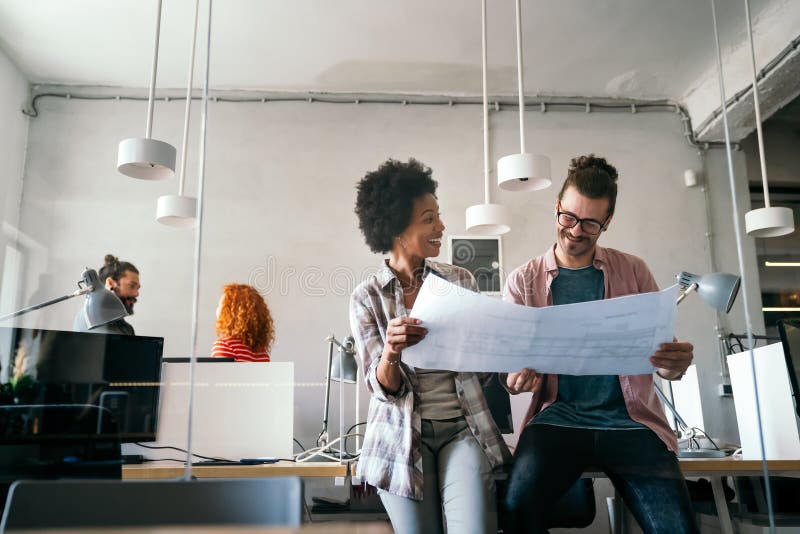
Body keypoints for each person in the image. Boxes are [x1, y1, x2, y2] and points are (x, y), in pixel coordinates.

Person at [502, 154, 698, 533]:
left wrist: (673, 365)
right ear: (557, 208)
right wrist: (514, 380)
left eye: (590, 222)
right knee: (516, 510)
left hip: (632, 423)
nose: (576, 230)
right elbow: (509, 370)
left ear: (607, 222)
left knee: (679, 528)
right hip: (557, 421)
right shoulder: (523, 280)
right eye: (569, 218)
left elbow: (662, 358)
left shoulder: (633, 270)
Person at [349, 158, 510, 534]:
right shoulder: (366, 297)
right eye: (429, 219)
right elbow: (380, 387)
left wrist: (495, 344)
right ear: (397, 229)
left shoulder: (461, 280)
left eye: (438, 216)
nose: (441, 227)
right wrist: (391, 352)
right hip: (399, 439)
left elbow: (484, 371)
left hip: (462, 429)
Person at [73, 254, 139, 335]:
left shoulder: (127, 327)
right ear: (111, 283)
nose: (137, 294)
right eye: (131, 286)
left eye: (138, 288)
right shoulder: (91, 317)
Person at [211, 283, 274, 362]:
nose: (217, 310)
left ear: (229, 313)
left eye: (220, 305)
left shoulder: (224, 345)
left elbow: (221, 373)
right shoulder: (262, 353)